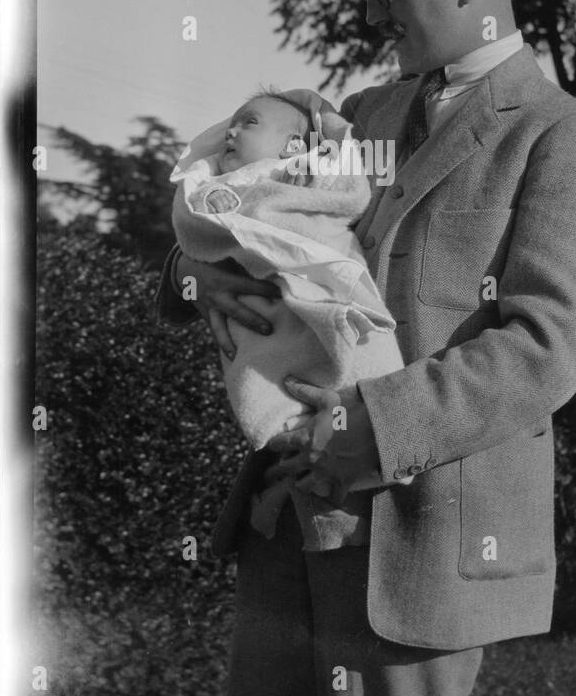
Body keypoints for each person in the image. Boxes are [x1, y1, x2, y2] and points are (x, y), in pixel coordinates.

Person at [156, 0, 576, 696]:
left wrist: (375, 424)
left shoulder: (567, 138)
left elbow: (547, 346)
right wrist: (193, 270)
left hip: (419, 559)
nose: (371, 15)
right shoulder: (349, 118)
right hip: (283, 524)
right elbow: (232, 219)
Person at [168, 87, 406, 550]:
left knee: (358, 374)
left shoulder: (311, 167)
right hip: (266, 321)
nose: (231, 131)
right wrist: (186, 265)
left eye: (248, 122)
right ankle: (282, 483)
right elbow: (203, 227)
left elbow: (337, 200)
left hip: (331, 302)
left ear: (296, 146)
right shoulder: (367, 108)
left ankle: (303, 492)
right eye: (232, 123)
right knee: (276, 403)